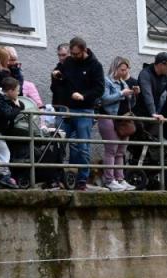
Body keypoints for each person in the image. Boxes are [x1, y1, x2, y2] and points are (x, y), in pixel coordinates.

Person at [52, 37, 105, 191]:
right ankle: (58, 178)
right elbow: (61, 82)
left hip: (84, 110)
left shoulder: (95, 65)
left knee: (83, 146)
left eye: (76, 54)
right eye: (71, 53)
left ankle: (82, 180)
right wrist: (56, 75)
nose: (73, 57)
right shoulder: (68, 62)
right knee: (58, 143)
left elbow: (99, 88)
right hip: (66, 109)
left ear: (84, 50)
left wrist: (84, 96)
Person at [98, 56, 137, 191]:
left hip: (122, 120)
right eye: (122, 70)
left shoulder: (123, 82)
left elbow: (129, 103)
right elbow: (104, 99)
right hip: (108, 117)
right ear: (115, 68)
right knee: (111, 150)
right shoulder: (107, 81)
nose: (124, 73)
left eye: (126, 70)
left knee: (121, 151)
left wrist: (133, 94)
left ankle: (120, 179)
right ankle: (109, 180)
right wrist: (121, 93)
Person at [0, 77, 24, 188]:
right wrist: (16, 107)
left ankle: (5, 176)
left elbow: (22, 105)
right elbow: (8, 113)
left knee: (4, 152)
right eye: (17, 90)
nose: (19, 93)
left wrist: (16, 106)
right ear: (10, 91)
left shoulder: (6, 98)